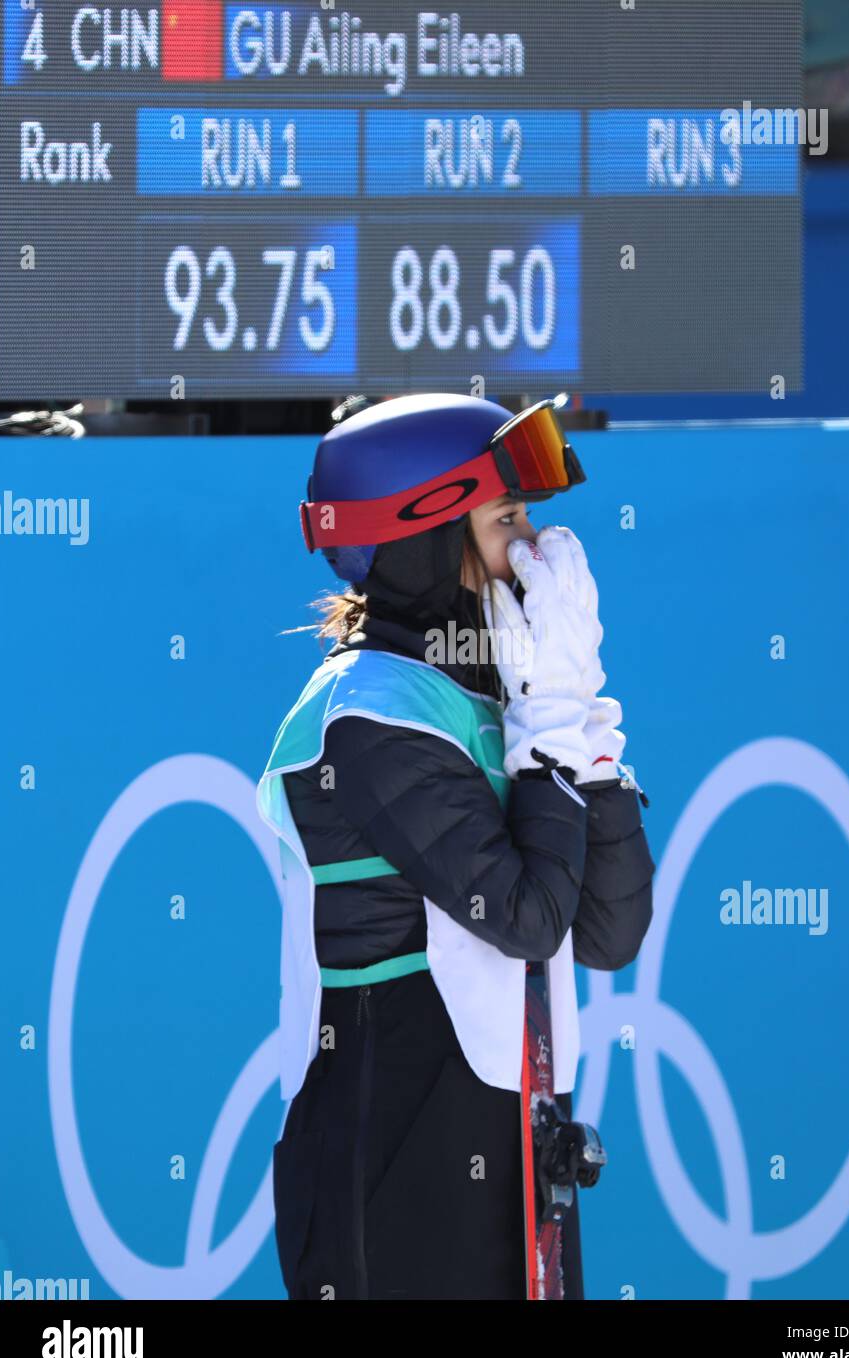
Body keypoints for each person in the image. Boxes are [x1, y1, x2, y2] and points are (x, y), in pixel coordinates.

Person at [256, 392, 655, 1300]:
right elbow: (525, 917)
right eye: (507, 516)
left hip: (507, 1143)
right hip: (394, 1155)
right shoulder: (367, 714)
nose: (533, 547)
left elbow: (605, 932)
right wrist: (547, 730)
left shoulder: (503, 696)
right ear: (424, 534)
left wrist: (583, 724)